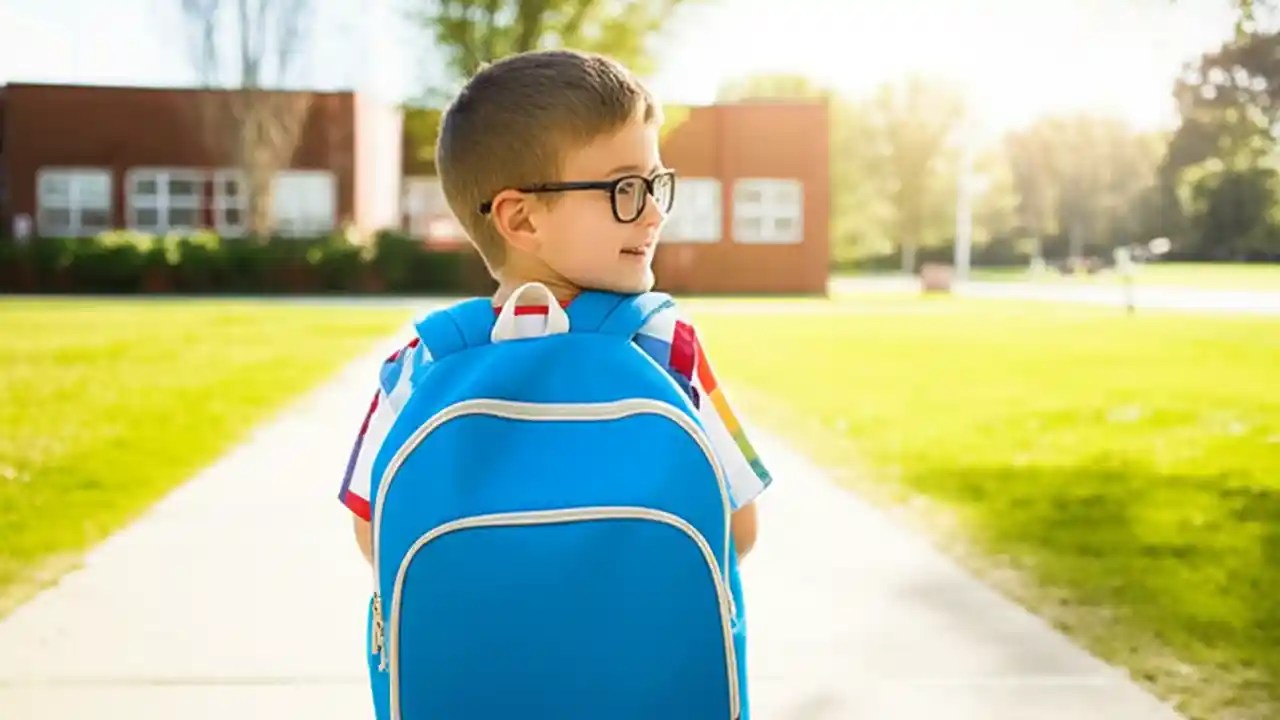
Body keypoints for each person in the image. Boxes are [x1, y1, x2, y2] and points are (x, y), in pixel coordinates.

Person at [337, 48, 774, 717]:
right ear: (520, 218)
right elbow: (738, 528)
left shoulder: (419, 364)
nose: (654, 213)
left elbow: (375, 537)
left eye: (656, 186)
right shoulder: (666, 347)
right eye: (626, 190)